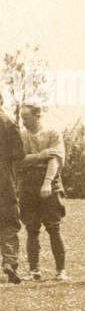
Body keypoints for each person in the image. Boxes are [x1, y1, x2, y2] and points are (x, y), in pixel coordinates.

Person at [18, 103, 68, 280]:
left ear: (37, 115)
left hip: (50, 183)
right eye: (22, 117)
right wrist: (39, 157)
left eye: (26, 117)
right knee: (31, 228)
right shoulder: (20, 136)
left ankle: (61, 270)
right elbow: (16, 161)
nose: (23, 121)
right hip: (27, 185)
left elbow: (54, 159)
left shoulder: (53, 134)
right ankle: (34, 270)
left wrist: (47, 182)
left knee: (54, 227)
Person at [0, 104, 25, 284]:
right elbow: (19, 154)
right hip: (4, 180)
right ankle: (9, 261)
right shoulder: (9, 122)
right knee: (9, 222)